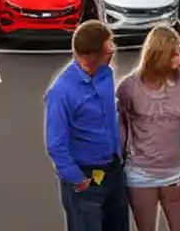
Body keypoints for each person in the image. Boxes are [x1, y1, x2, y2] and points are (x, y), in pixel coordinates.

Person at [45, 19, 129, 231]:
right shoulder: (61, 92)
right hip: (85, 181)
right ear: (90, 57)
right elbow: (56, 144)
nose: (113, 51)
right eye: (109, 47)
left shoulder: (106, 74)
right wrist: (78, 180)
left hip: (114, 174)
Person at [117, 25, 180, 231]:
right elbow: (121, 131)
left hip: (175, 174)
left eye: (179, 53)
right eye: (173, 55)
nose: (179, 60)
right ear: (157, 56)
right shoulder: (128, 88)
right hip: (139, 175)